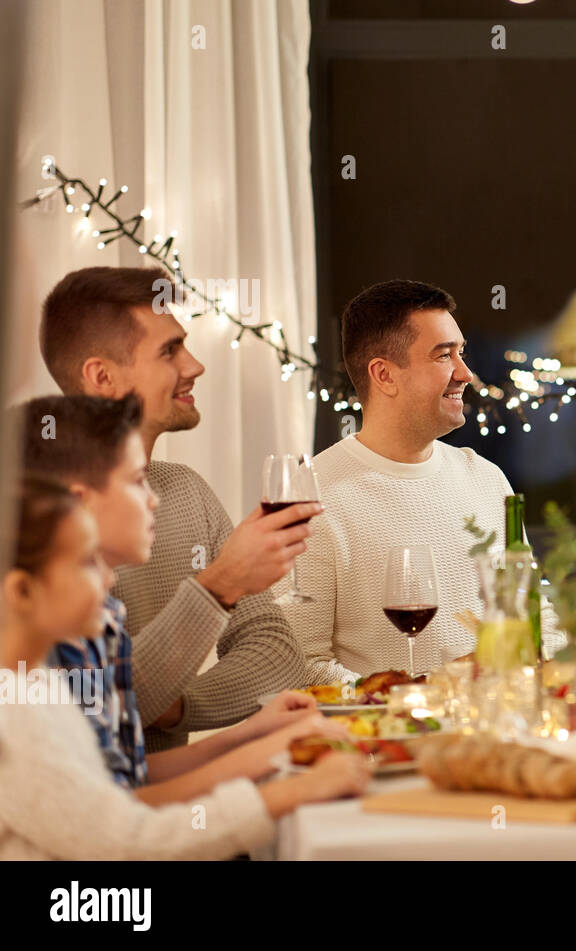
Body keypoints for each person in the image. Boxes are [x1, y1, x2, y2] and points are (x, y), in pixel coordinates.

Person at [0, 476, 372, 860]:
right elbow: (127, 840)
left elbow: (116, 788)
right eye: (87, 563)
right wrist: (287, 793)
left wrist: (248, 737)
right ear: (22, 591)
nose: (109, 580)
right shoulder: (16, 711)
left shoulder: (39, 685)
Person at [20, 393, 350, 803]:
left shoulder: (101, 614)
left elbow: (122, 777)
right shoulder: (31, 647)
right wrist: (270, 773)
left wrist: (249, 736)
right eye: (138, 480)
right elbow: (107, 824)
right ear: (81, 500)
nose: (154, 498)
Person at [39, 266, 312, 751]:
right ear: (102, 376)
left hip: (163, 797)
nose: (195, 365)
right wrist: (220, 583)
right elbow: (93, 701)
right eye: (170, 350)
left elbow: (277, 650)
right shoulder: (35, 515)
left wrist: (182, 707)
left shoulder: (184, 490)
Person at [283, 279, 562, 684]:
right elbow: (299, 666)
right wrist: (428, 695)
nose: (465, 373)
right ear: (384, 375)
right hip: (381, 741)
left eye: (461, 352)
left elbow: (535, 615)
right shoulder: (309, 495)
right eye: (443, 356)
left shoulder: (486, 478)